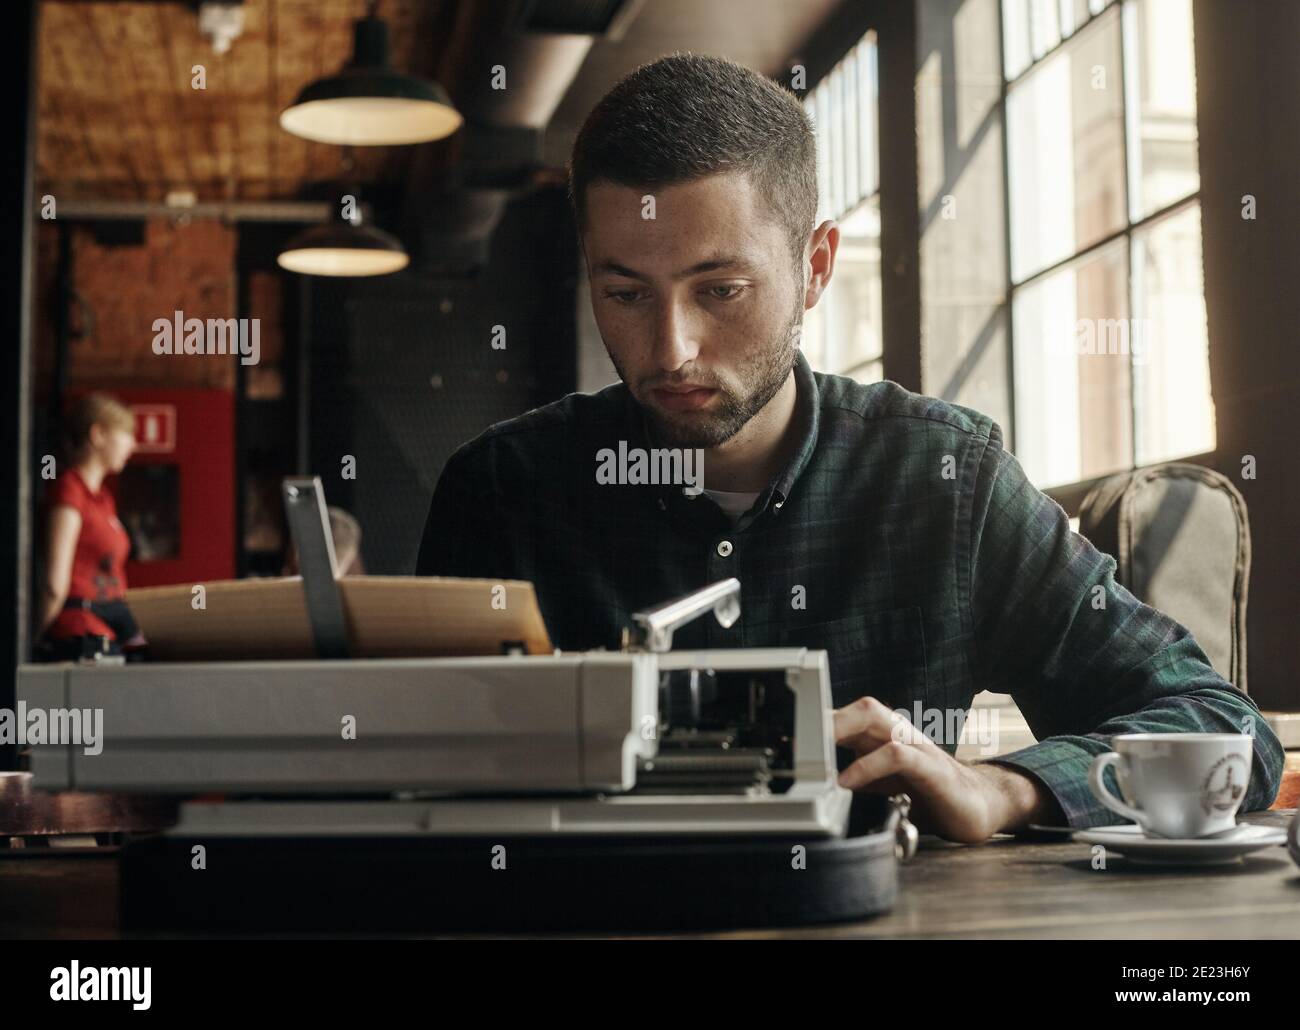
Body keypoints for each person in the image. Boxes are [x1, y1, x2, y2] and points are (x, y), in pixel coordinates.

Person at [415, 53, 1283, 842]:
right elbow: (403, 776)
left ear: (818, 266)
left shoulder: (945, 481)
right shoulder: (502, 492)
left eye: (720, 289)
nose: (672, 347)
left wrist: (1002, 789)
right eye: (626, 292)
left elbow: (1223, 726)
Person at [37, 392, 146, 661]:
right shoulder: (69, 489)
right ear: (98, 435)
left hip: (116, 619)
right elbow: (54, 584)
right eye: (126, 434)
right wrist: (28, 641)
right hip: (81, 626)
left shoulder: (104, 499)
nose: (133, 445)